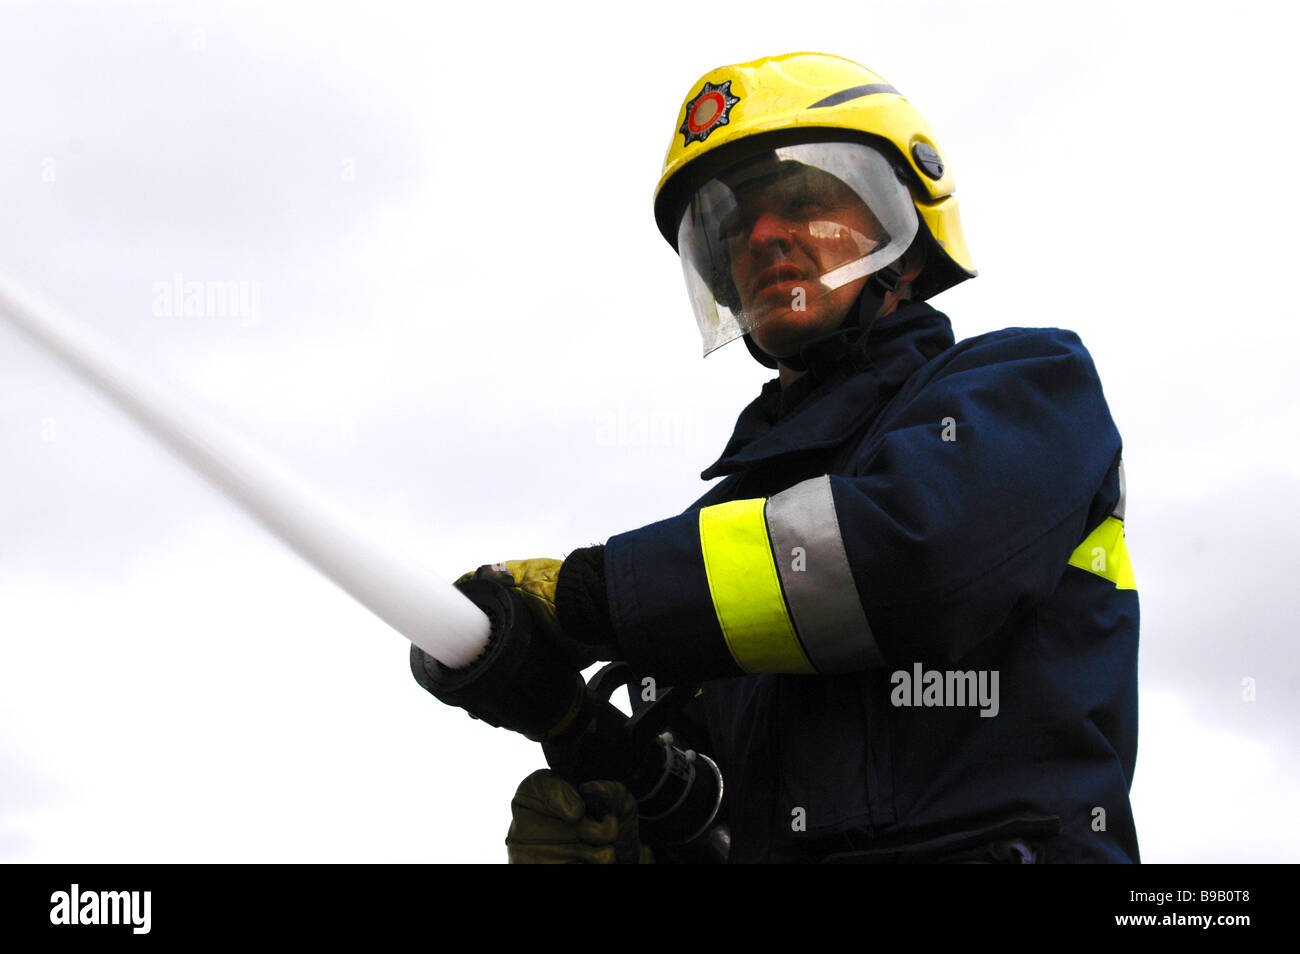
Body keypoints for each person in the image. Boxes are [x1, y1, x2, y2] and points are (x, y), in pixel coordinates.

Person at [464, 52, 1139, 863]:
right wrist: (625, 812)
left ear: (908, 243)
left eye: (803, 202)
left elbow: (909, 558)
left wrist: (584, 599)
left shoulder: (1029, 388)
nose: (762, 237)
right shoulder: (712, 543)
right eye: (732, 228)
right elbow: (723, 825)